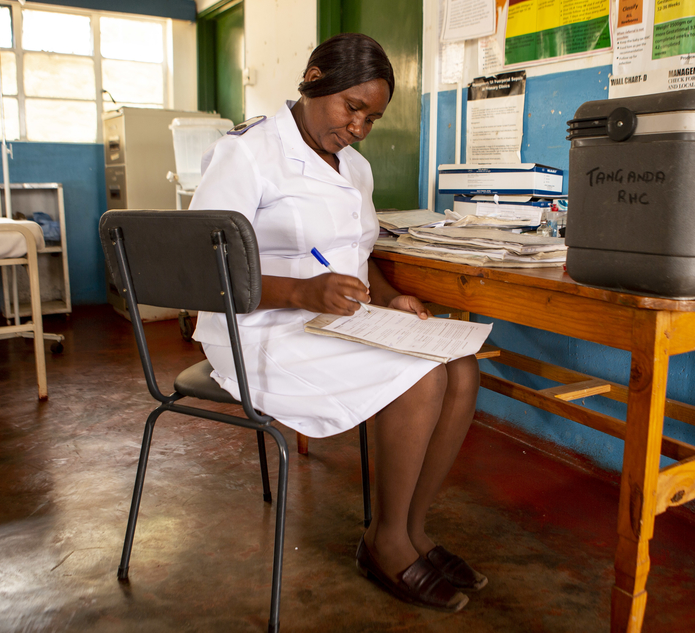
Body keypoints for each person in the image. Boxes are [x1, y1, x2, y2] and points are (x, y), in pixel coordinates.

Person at [188, 33, 484, 613]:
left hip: (334, 319)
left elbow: (357, 249)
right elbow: (204, 266)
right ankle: (385, 543)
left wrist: (393, 298)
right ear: (314, 79)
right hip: (258, 329)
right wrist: (301, 290)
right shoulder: (248, 153)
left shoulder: (356, 169)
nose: (359, 128)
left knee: (461, 366)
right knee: (420, 377)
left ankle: (410, 529)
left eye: (372, 118)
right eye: (352, 108)